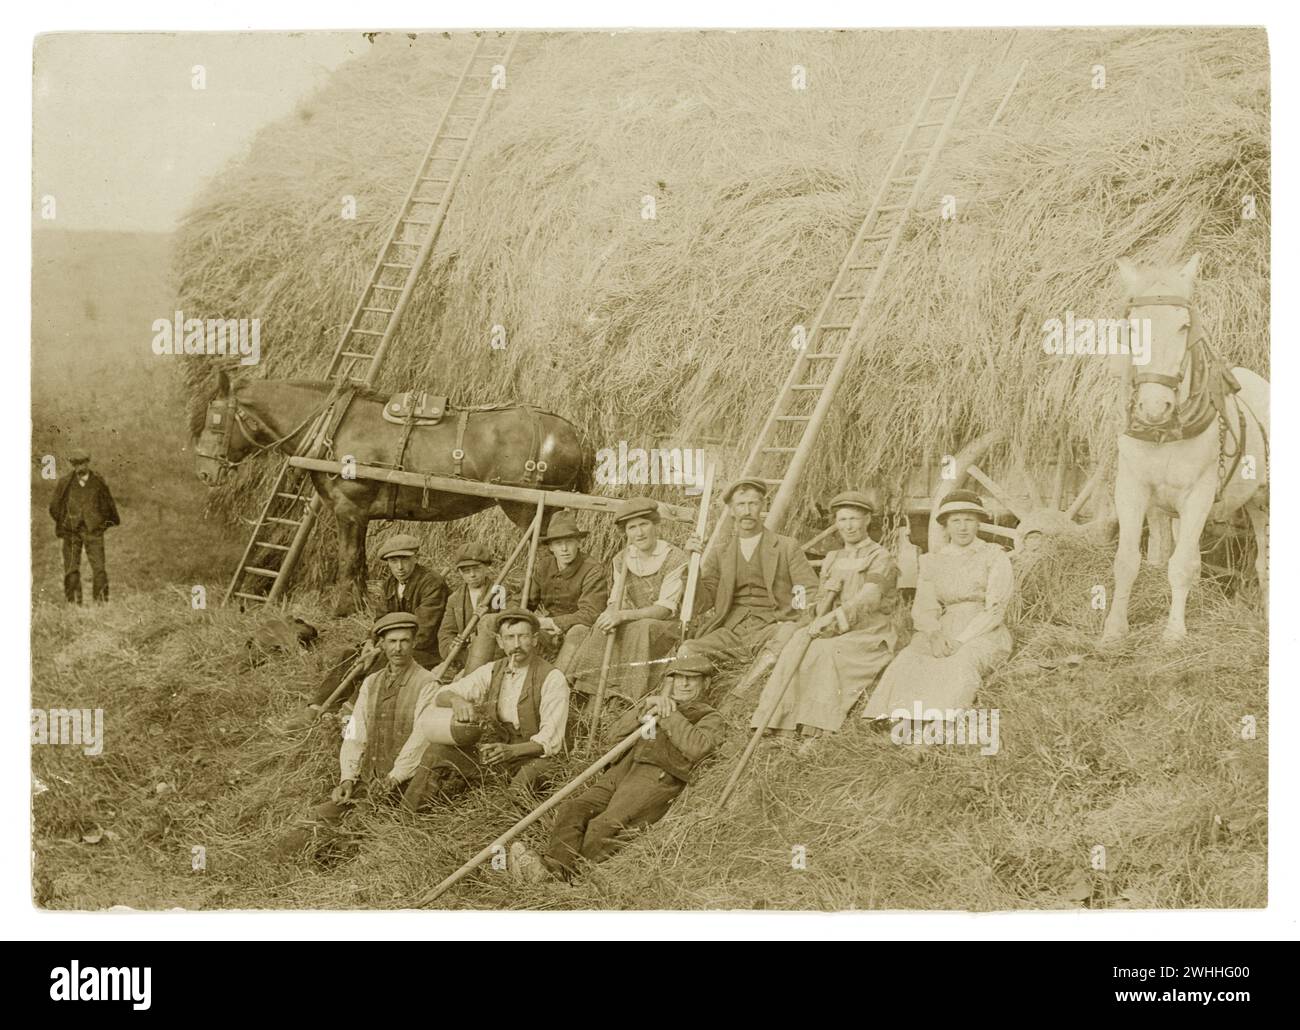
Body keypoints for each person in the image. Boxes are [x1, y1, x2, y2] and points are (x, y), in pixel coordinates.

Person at [509, 653, 724, 883]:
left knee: (605, 825)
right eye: (678, 677)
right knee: (573, 808)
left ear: (707, 683)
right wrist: (643, 710)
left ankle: (561, 874)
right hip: (621, 769)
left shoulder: (708, 716)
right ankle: (554, 867)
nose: (683, 683)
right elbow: (611, 737)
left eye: (692, 678)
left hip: (655, 775)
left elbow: (700, 749)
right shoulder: (653, 705)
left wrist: (669, 714)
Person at [272, 612, 443, 861]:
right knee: (317, 819)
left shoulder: (428, 683)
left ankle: (332, 858)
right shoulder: (371, 682)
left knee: (357, 826)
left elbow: (421, 740)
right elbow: (355, 731)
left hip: (403, 783)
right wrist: (348, 778)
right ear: (381, 645)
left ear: (414, 642)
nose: (398, 648)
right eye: (392, 642)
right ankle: (282, 860)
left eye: (405, 641)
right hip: (367, 779)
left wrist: (392, 780)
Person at [750, 491, 900, 740]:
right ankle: (777, 723)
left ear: (867, 521)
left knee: (826, 652)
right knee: (795, 644)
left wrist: (834, 619)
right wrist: (815, 613)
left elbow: (870, 598)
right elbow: (821, 598)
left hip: (868, 630)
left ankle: (817, 727)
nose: (848, 526)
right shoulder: (832, 558)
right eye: (842, 520)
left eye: (854, 519)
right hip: (830, 626)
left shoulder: (880, 556)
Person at [863, 490, 1013, 724]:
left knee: (960, 662)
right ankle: (894, 720)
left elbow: (995, 608)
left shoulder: (993, 555)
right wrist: (933, 634)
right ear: (945, 525)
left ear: (978, 524)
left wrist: (961, 640)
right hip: (944, 626)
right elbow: (925, 607)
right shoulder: (934, 560)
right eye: (956, 521)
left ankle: (935, 728)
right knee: (910, 657)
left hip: (983, 630)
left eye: (969, 520)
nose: (962, 527)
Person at [400, 608, 569, 804]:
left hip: (535, 757)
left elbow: (551, 742)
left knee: (513, 796)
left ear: (534, 639)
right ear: (499, 641)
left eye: (522, 637)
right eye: (509, 637)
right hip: (498, 754)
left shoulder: (552, 678)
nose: (516, 645)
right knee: (438, 751)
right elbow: (441, 694)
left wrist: (511, 751)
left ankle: (503, 813)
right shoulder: (493, 670)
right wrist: (457, 700)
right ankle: (407, 815)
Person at [286, 533, 447, 729]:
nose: (400, 567)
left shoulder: (432, 583)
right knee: (350, 655)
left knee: (380, 661)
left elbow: (424, 631)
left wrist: (382, 649)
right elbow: (380, 620)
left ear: (416, 558)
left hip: (424, 650)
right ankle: (317, 707)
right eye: (393, 561)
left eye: (405, 560)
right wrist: (370, 643)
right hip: (394, 644)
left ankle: (350, 712)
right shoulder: (390, 584)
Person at [679, 478, 819, 688]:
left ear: (763, 505)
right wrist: (692, 566)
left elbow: (806, 589)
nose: (747, 511)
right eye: (741, 505)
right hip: (732, 632)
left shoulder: (786, 546)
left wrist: (794, 618)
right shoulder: (721, 551)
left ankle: (743, 690)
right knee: (688, 649)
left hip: (772, 627)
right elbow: (702, 602)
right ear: (731, 510)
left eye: (753, 504)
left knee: (788, 634)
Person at [568, 497, 689, 705]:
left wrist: (623, 615)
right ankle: (589, 693)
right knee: (602, 625)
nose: (639, 533)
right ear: (625, 532)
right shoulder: (621, 559)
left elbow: (665, 610)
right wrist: (612, 613)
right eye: (632, 528)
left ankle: (628, 697)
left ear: (656, 524)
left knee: (642, 628)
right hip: (635, 620)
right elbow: (617, 599)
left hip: (664, 626)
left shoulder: (674, 558)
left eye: (644, 524)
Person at [526, 511, 609, 672]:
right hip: (549, 627)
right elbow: (526, 599)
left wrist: (552, 623)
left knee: (578, 631)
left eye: (569, 542)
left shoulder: (592, 569)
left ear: (578, 542)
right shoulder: (543, 566)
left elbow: (590, 614)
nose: (564, 549)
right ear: (550, 547)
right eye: (558, 543)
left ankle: (557, 682)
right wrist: (520, 614)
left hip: (579, 628)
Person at [48, 447, 119, 604]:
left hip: (93, 532)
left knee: (99, 569)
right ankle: (73, 604)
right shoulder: (65, 483)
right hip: (71, 533)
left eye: (82, 463)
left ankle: (101, 603)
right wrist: (66, 523)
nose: (79, 467)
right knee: (71, 569)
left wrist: (100, 526)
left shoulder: (98, 482)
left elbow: (108, 507)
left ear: (88, 463)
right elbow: (54, 507)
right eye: (75, 464)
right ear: (72, 465)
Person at [436, 542, 507, 680]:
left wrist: (488, 619)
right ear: (460, 573)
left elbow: (509, 625)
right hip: (461, 658)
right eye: (466, 571)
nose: (472, 575)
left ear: (486, 568)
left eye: (476, 569)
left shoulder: (499, 592)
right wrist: (452, 646)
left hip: (492, 657)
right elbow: (445, 632)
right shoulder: (455, 599)